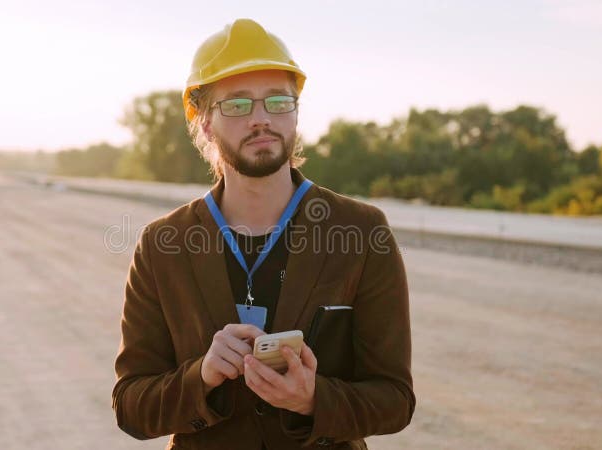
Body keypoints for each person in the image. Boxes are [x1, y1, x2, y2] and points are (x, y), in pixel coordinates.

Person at [112, 18, 415, 450]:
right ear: (204, 123)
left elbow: (395, 400)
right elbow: (131, 408)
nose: (261, 119)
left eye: (278, 102)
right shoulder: (162, 245)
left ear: (295, 112)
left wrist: (314, 400)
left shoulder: (362, 231)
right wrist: (203, 375)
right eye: (236, 105)